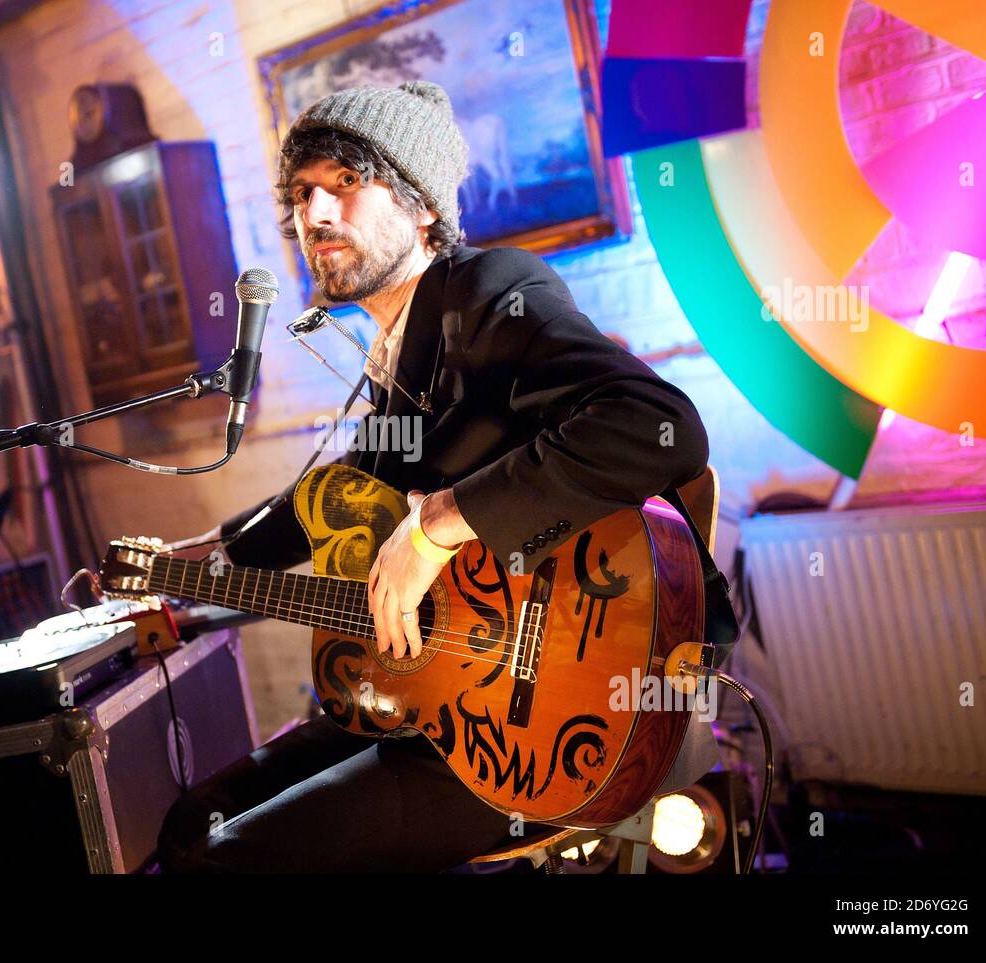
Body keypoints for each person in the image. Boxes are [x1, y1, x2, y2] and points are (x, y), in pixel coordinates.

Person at [156, 81, 719, 872]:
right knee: (190, 822)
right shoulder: (395, 358)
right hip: (444, 702)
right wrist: (202, 558)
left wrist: (437, 526)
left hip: (544, 720)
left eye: (346, 184)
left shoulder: (492, 295)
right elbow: (339, 495)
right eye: (301, 194)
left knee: (229, 858)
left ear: (422, 208)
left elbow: (655, 423)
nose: (314, 215)